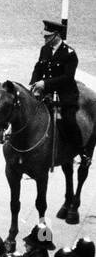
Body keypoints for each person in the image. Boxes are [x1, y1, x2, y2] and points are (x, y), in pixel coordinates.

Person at [30, 19, 83, 166]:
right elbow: (38, 67)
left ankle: (80, 152)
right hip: (45, 93)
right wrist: (34, 83)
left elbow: (67, 77)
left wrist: (45, 83)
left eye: (48, 36)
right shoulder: (44, 49)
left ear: (56, 35)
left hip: (65, 95)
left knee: (69, 121)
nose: (45, 38)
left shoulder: (70, 54)